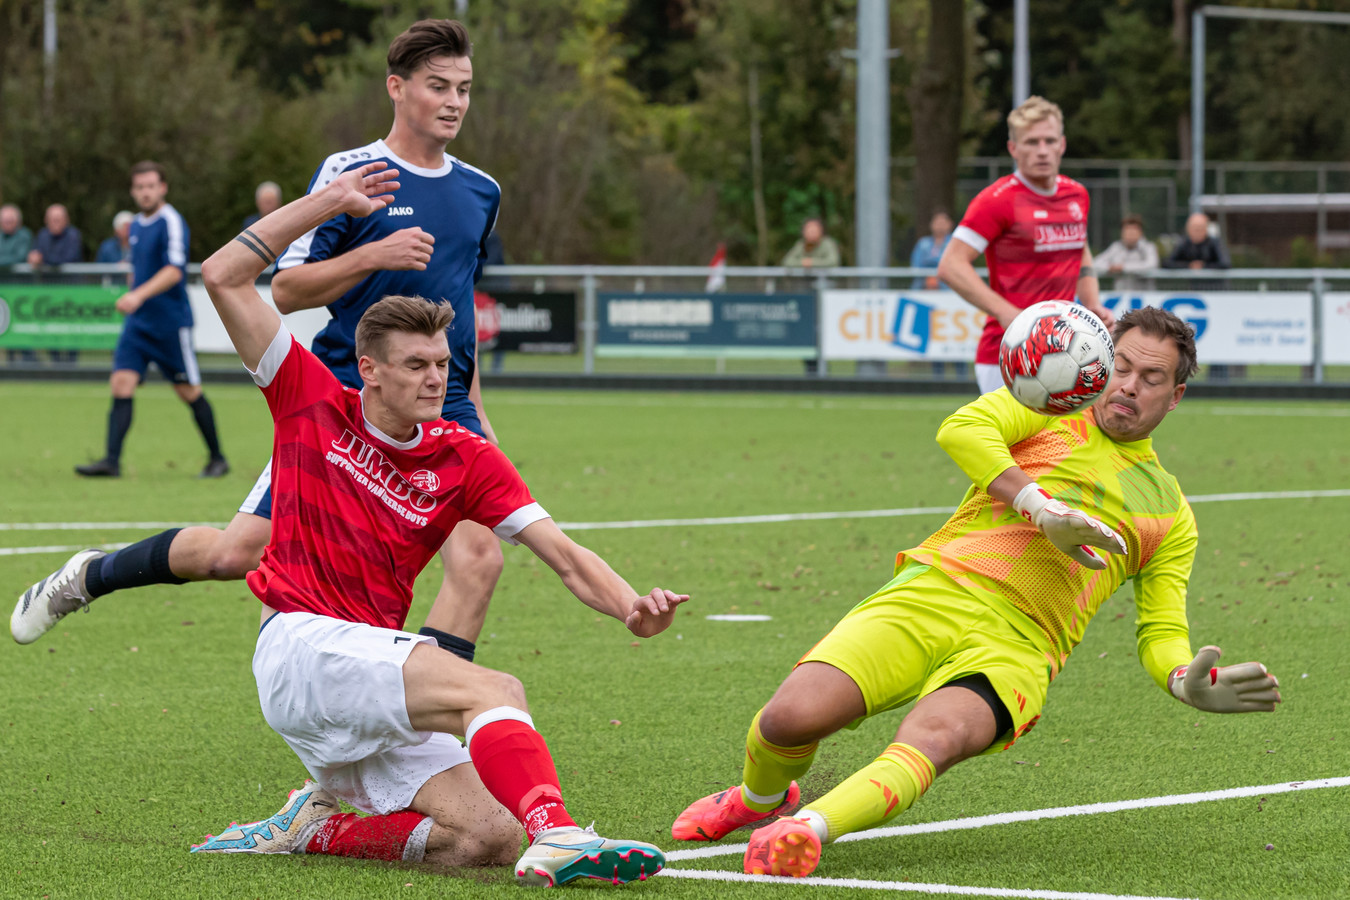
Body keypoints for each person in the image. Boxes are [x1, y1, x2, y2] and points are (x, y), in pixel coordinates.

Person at [185, 162, 680, 884]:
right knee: (494, 690)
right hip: (300, 648)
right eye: (416, 364)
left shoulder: (465, 455)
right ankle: (561, 834)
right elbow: (224, 275)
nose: (435, 378)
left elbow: (563, 553)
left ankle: (316, 830)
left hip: (368, 666)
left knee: (486, 836)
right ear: (369, 370)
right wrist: (327, 202)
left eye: (442, 363)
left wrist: (631, 608)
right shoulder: (309, 399)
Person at [670, 306, 1281, 879]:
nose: (1129, 386)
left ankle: (806, 829)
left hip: (1019, 646)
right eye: (1121, 367)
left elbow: (1162, 629)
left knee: (935, 738)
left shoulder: (1170, 512)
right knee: (788, 720)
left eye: (1152, 379)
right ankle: (759, 800)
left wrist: (1181, 679)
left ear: (1175, 396)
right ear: (1101, 363)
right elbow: (962, 429)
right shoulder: (1045, 408)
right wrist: (1039, 507)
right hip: (935, 590)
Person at [15, 22, 500, 689]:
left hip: (445, 410)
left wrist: (475, 410)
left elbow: (456, 309)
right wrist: (372, 255)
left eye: (464, 89)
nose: (454, 102)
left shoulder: (481, 191)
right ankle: (89, 575)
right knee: (233, 553)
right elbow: (288, 289)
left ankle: (416, 720)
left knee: (477, 559)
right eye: (438, 86)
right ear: (396, 87)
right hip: (345, 406)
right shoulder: (352, 173)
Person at [937, 96, 1115, 395]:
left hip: (1066, 349)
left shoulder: (1077, 195)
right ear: (1013, 148)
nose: (1042, 150)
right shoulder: (996, 200)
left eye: (1049, 140)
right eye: (1032, 142)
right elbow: (950, 265)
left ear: (1062, 144)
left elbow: (1079, 249)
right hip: (1009, 351)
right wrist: (1009, 315)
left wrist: (1092, 304)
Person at [73, 161, 229, 479]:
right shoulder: (135, 226)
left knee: (188, 391)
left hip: (169, 324)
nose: (145, 192)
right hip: (138, 324)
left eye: (150, 186)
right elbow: (141, 267)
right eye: (139, 187)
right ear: (133, 191)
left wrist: (137, 295)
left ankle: (217, 458)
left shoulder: (171, 221)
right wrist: (134, 287)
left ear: (163, 188)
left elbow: (174, 271)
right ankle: (111, 461)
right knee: (121, 382)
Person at [1095, 214, 1159, 293]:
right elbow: (1096, 262)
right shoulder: (1116, 247)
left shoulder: (1149, 247)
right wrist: (1109, 267)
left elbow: (1151, 264)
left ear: (1140, 232)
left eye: (1133, 230)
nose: (1130, 233)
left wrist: (1123, 268)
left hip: (1144, 296)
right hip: (1121, 295)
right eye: (1127, 230)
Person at [1163, 212, 1231, 272]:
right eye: (1194, 228)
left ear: (1206, 229)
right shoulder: (1183, 243)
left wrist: (1203, 266)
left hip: (1213, 282)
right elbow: (1167, 263)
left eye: (1200, 228)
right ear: (1188, 229)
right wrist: (1189, 265)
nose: (1197, 231)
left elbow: (1225, 263)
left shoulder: (1215, 242)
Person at [909, 210, 953, 290]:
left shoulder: (954, 243)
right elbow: (916, 264)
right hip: (923, 282)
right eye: (937, 223)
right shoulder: (923, 243)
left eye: (942, 223)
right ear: (931, 224)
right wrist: (929, 276)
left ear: (950, 224)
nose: (940, 226)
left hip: (946, 282)